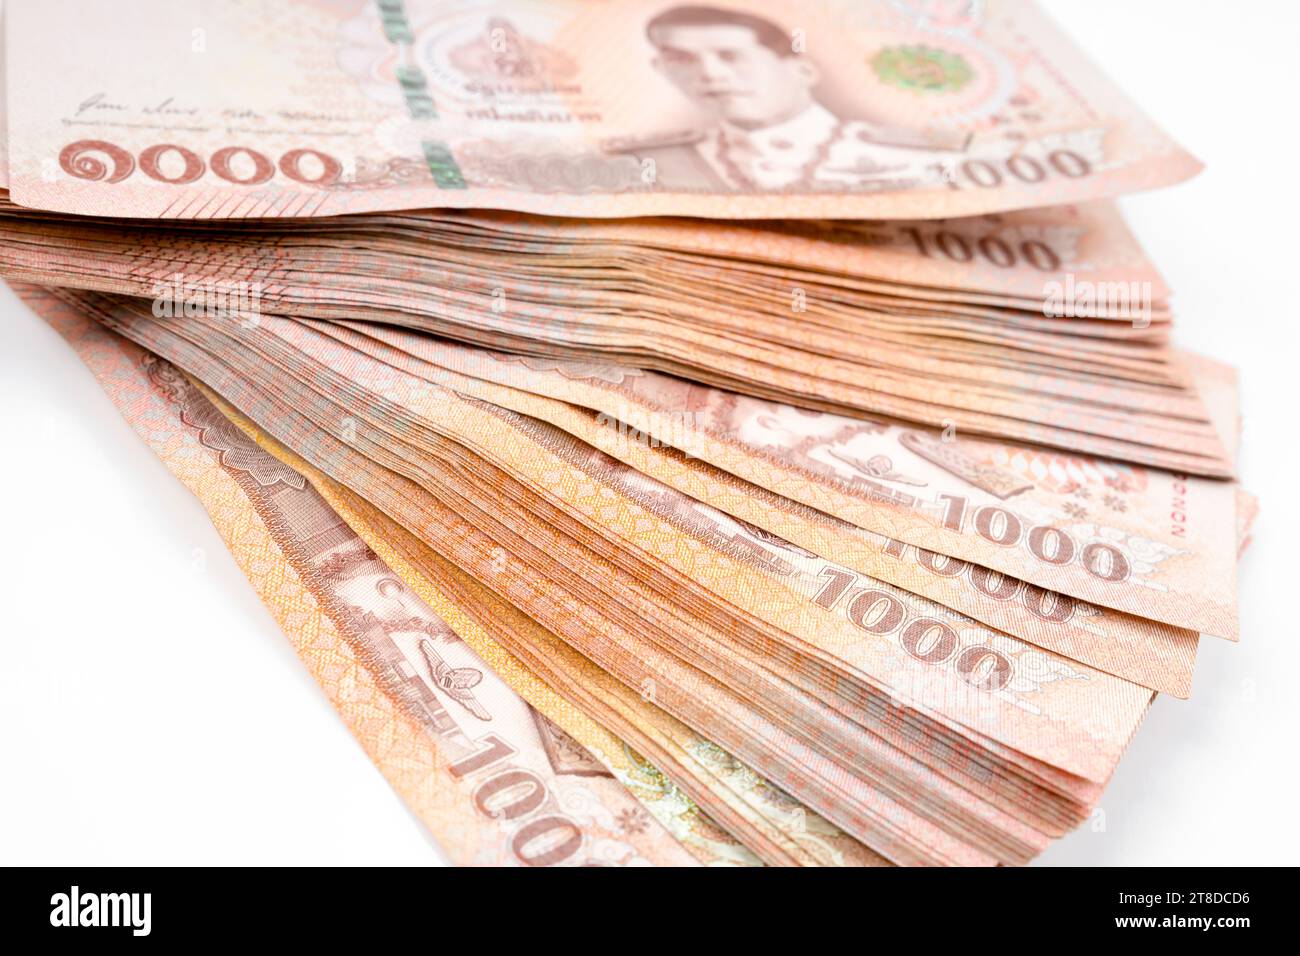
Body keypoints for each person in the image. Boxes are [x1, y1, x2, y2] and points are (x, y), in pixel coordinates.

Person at [603, 4, 967, 192]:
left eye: (731, 56)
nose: (711, 74)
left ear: (802, 71)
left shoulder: (928, 156)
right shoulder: (644, 162)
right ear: (661, 68)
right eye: (681, 59)